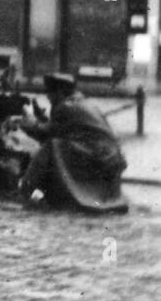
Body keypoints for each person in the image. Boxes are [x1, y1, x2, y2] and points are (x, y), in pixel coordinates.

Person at [18, 73, 128, 213]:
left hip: (95, 156)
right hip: (110, 156)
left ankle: (27, 188)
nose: (48, 97)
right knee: (58, 144)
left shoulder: (66, 106)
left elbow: (46, 134)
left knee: (52, 146)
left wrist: (30, 122)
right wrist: (42, 118)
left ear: (60, 92)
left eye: (50, 93)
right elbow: (66, 128)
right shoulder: (83, 103)